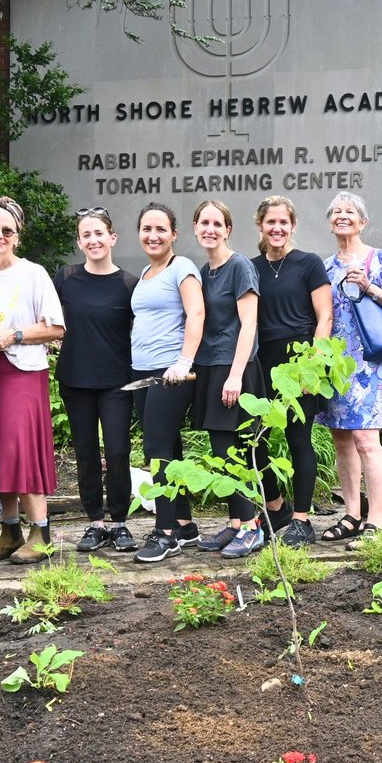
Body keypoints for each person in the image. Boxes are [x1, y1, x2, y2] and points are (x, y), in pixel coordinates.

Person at [0, 197, 67, 565]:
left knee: (20, 450)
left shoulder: (33, 273)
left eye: (7, 230)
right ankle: (9, 531)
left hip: (21, 372)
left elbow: (56, 327)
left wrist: (13, 336)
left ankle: (40, 532)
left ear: (17, 236)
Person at [315, 191, 382, 543]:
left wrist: (369, 287)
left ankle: (376, 520)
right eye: (336, 211)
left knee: (367, 439)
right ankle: (351, 514)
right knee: (341, 438)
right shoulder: (324, 267)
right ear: (329, 222)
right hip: (334, 362)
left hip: (365, 362)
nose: (342, 216)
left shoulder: (378, 259)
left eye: (350, 211)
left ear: (363, 221)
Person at [54, 208, 139, 554]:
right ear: (79, 241)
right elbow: (43, 316)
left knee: (118, 451)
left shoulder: (129, 285)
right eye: (86, 235)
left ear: (112, 238)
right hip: (76, 379)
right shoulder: (65, 278)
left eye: (99, 233)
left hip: (117, 381)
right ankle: (94, 522)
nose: (93, 240)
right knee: (86, 452)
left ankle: (118, 522)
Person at [250, 195, 332, 546]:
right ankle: (277, 507)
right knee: (257, 441)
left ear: (292, 225)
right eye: (271, 222)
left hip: (301, 360)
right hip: (262, 362)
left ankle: (302, 519)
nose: (277, 228)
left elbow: (325, 316)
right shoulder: (251, 267)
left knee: (299, 440)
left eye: (284, 222)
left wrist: (313, 368)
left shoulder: (308, 263)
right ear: (261, 225)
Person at [189, 199, 267, 559]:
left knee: (233, 451)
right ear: (195, 228)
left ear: (228, 229)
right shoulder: (204, 272)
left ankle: (252, 528)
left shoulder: (240, 267)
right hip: (209, 367)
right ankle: (236, 524)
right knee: (220, 453)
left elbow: (249, 324)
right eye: (204, 222)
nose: (210, 229)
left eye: (217, 223)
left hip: (235, 370)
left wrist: (235, 376)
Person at [128, 202, 204, 563]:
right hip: (142, 373)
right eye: (146, 229)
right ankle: (185, 523)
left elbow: (196, 313)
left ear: (174, 234)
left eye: (160, 229)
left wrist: (184, 361)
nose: (153, 235)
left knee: (156, 450)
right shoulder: (145, 272)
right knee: (168, 448)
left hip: (171, 374)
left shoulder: (182, 268)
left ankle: (165, 532)